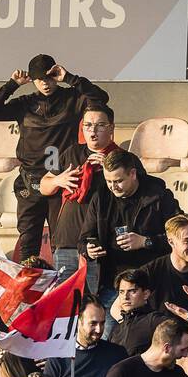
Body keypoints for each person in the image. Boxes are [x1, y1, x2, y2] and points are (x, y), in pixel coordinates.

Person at [0, 55, 109, 262]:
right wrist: (12, 84)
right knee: (28, 240)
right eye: (40, 79)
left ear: (55, 76)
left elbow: (101, 99)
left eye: (50, 78)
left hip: (61, 178)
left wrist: (70, 78)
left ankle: (61, 286)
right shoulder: (25, 103)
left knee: (60, 240)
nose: (45, 83)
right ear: (32, 79)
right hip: (29, 180)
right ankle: (28, 286)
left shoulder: (72, 99)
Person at [80, 150, 180, 308]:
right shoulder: (101, 198)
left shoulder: (159, 196)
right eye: (108, 181)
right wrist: (89, 249)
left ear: (133, 174)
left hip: (151, 283)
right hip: (113, 284)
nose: (113, 187)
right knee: (107, 333)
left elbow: (179, 236)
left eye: (119, 181)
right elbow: (84, 238)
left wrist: (145, 242)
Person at [42, 102, 117, 291]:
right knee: (65, 302)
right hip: (67, 239)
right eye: (88, 125)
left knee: (93, 303)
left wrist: (109, 169)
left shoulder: (121, 159)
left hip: (98, 244)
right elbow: (44, 186)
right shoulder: (72, 152)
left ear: (111, 128)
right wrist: (59, 180)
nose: (93, 131)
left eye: (100, 125)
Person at [43, 297, 126, 377]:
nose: (99, 329)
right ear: (78, 321)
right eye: (93, 323)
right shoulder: (57, 359)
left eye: (102, 323)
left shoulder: (117, 354)